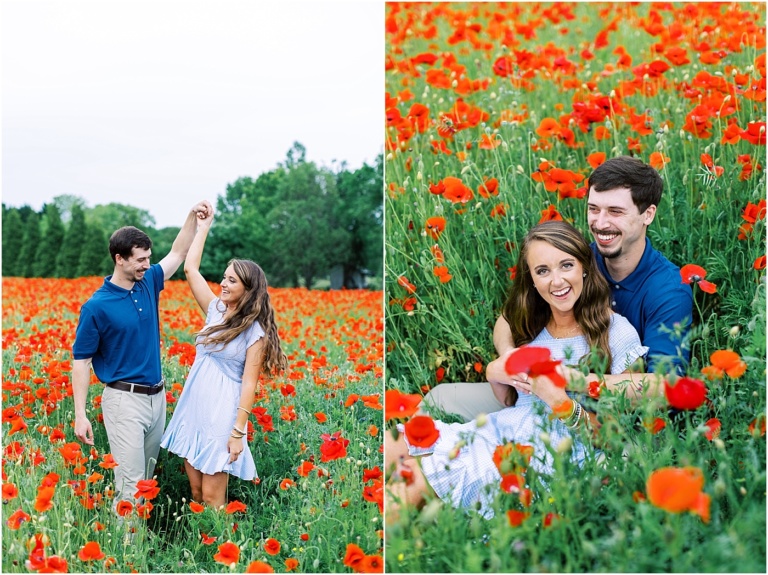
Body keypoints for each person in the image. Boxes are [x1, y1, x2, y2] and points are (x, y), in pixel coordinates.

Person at [386, 221, 648, 519]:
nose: (557, 281)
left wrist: (561, 402)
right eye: (543, 271)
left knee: (413, 480)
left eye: (566, 265)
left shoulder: (617, 333)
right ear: (533, 280)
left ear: (585, 267)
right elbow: (512, 400)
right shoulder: (532, 325)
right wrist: (496, 372)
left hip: (545, 458)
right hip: (502, 431)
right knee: (392, 446)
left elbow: (615, 439)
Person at [423, 156, 693, 421]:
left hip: (619, 417)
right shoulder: (578, 261)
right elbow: (508, 318)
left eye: (615, 211)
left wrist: (572, 381)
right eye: (594, 208)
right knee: (440, 399)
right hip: (539, 399)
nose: (600, 223)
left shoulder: (668, 290)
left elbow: (664, 388)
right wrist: (510, 359)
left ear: (648, 214)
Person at [72, 200, 213, 509]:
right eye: (140, 260)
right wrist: (80, 414)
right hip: (124, 401)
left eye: (148, 258)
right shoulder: (97, 306)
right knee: (130, 488)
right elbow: (80, 361)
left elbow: (178, 252)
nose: (147, 265)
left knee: (146, 484)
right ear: (119, 259)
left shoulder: (147, 282)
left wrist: (192, 217)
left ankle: (135, 552)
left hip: (156, 399)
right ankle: (128, 556)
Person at [160, 208, 287, 509]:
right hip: (195, 408)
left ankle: (226, 554)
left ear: (248, 289)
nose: (224, 284)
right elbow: (191, 269)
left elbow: (249, 384)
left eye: (232, 281)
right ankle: (200, 551)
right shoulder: (215, 310)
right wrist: (204, 226)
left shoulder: (255, 333)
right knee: (196, 493)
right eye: (224, 278)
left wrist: (237, 433)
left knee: (215, 498)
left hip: (222, 416)